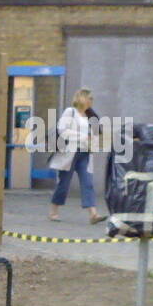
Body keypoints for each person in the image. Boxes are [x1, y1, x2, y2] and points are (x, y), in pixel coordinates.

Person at [50, 88, 105, 224]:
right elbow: (62, 130)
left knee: (88, 183)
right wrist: (82, 136)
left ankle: (93, 214)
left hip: (85, 153)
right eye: (90, 98)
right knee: (64, 183)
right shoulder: (71, 112)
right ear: (82, 98)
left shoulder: (90, 115)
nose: (92, 101)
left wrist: (93, 140)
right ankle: (54, 211)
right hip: (70, 153)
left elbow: (96, 133)